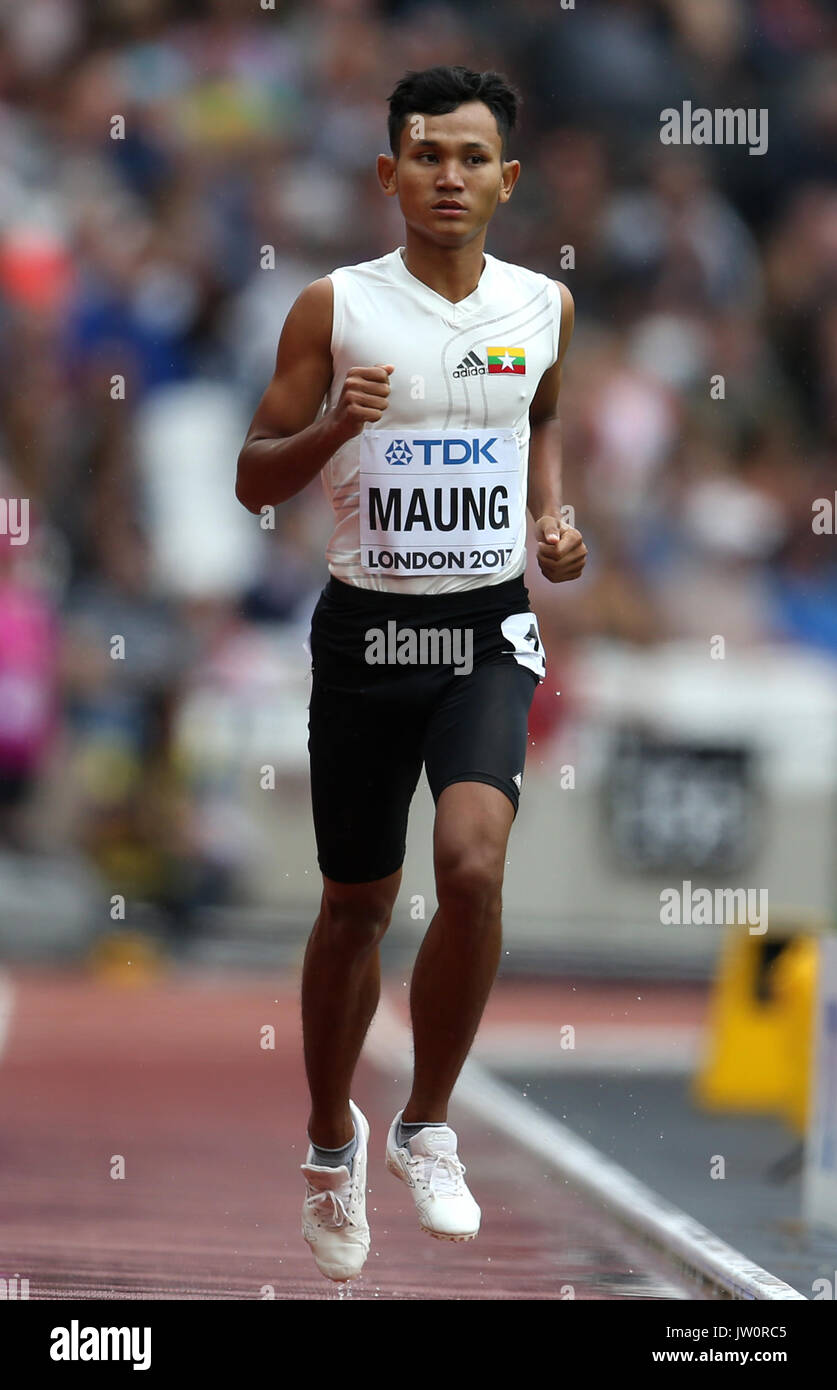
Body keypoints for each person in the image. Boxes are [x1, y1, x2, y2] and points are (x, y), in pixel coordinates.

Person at [236, 64, 587, 1284]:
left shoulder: (543, 305)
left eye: (472, 157)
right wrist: (336, 425)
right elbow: (253, 475)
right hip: (369, 635)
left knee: (475, 863)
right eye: (427, 156)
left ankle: (427, 1120)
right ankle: (334, 1138)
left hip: (484, 627)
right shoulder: (333, 309)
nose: (450, 176)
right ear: (390, 174)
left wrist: (552, 519)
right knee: (355, 906)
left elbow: (541, 416)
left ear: (507, 179)